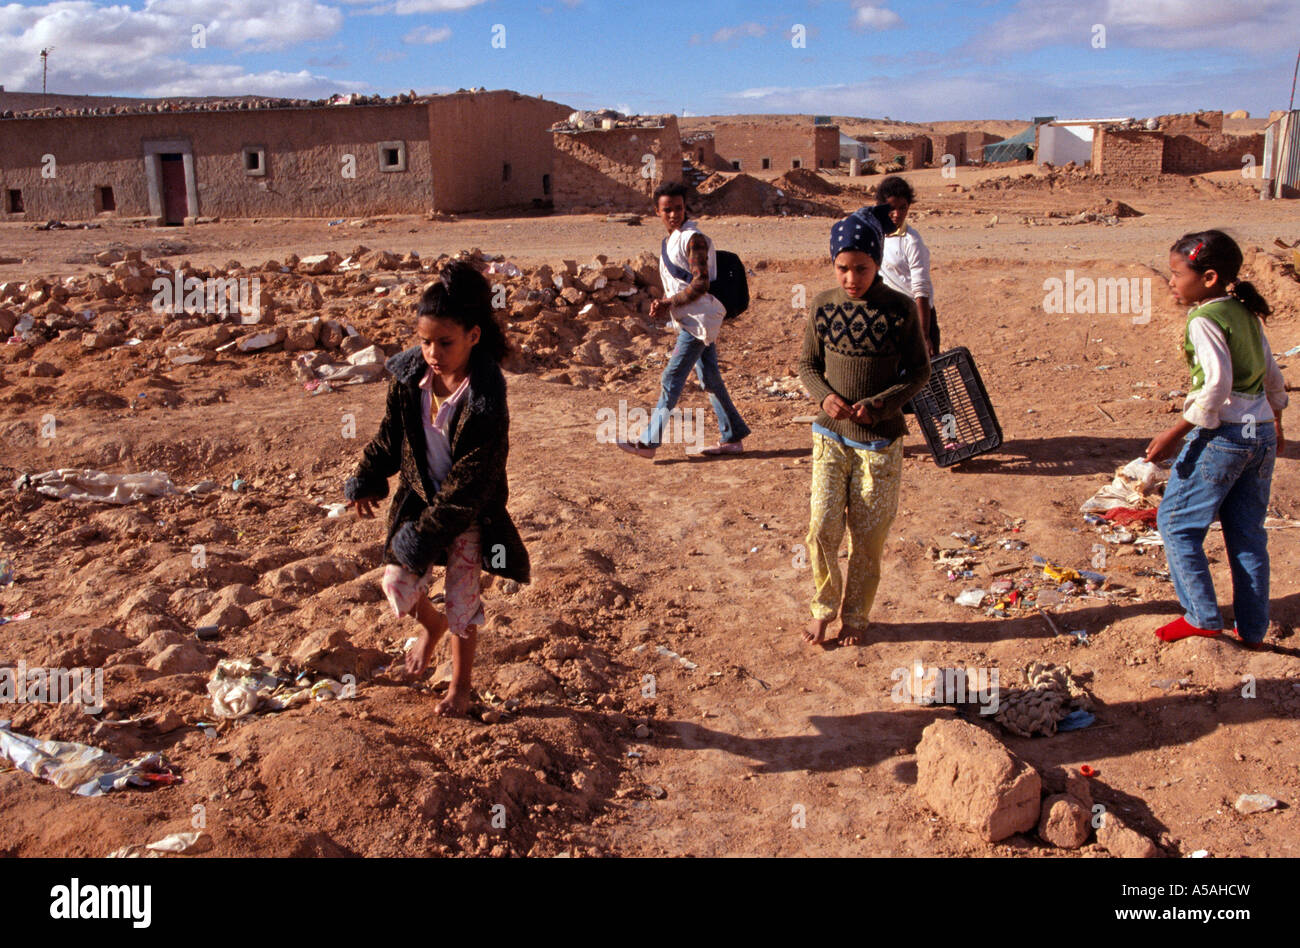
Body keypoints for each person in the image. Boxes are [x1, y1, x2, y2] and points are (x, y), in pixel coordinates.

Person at [343, 260, 530, 714]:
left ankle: (460, 688)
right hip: (419, 501)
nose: (432, 352)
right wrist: (368, 476)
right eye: (425, 341)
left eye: (445, 342)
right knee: (397, 583)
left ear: (473, 336)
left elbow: (471, 482)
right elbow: (391, 438)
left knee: (464, 601)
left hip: (467, 512)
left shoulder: (485, 400)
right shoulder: (409, 381)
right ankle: (431, 624)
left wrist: (424, 537)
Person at [1145, 230, 1287, 650]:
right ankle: (1253, 628)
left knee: (1176, 524)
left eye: (1176, 273)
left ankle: (1202, 616)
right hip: (1256, 432)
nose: (1170, 281)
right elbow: (1273, 375)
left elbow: (1216, 385)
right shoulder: (1243, 312)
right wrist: (1276, 425)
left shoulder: (1204, 319)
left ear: (1208, 278)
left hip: (1225, 434)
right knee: (1246, 533)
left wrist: (1174, 433)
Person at [798, 208, 931, 646]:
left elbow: (918, 372)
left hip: (879, 442)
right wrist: (824, 396)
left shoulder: (898, 310)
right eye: (842, 268)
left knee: (868, 538)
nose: (851, 278)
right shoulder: (822, 306)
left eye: (861, 268)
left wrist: (881, 404)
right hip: (829, 436)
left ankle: (855, 615)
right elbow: (807, 365)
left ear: (876, 264)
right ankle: (822, 606)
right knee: (821, 528)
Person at [616, 181, 751, 459]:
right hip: (693, 318)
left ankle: (649, 442)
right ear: (657, 211)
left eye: (678, 208)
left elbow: (700, 284)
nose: (674, 214)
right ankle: (733, 436)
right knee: (710, 376)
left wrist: (668, 303)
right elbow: (680, 284)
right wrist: (665, 304)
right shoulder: (672, 240)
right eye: (668, 210)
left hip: (699, 320)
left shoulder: (693, 239)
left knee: (672, 376)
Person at [876, 176, 938, 357]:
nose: (897, 214)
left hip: (917, 317)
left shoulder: (912, 241)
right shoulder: (876, 235)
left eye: (903, 208)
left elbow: (921, 290)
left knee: (928, 378)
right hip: (889, 317)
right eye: (891, 208)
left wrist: (924, 335)